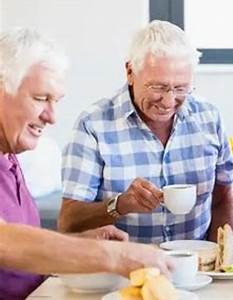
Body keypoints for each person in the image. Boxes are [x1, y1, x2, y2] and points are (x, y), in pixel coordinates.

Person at [0, 28, 173, 299]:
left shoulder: (8, 156)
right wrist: (114, 256)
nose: (52, 116)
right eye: (40, 98)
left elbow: (21, 253)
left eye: (55, 101)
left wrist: (80, 244)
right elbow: (4, 242)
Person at [58, 20, 233, 243]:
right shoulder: (94, 124)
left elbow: (223, 200)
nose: (169, 101)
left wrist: (217, 258)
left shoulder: (209, 117)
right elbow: (68, 221)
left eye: (181, 88)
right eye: (158, 87)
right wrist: (120, 204)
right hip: (125, 270)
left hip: (198, 269)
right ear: (130, 72)